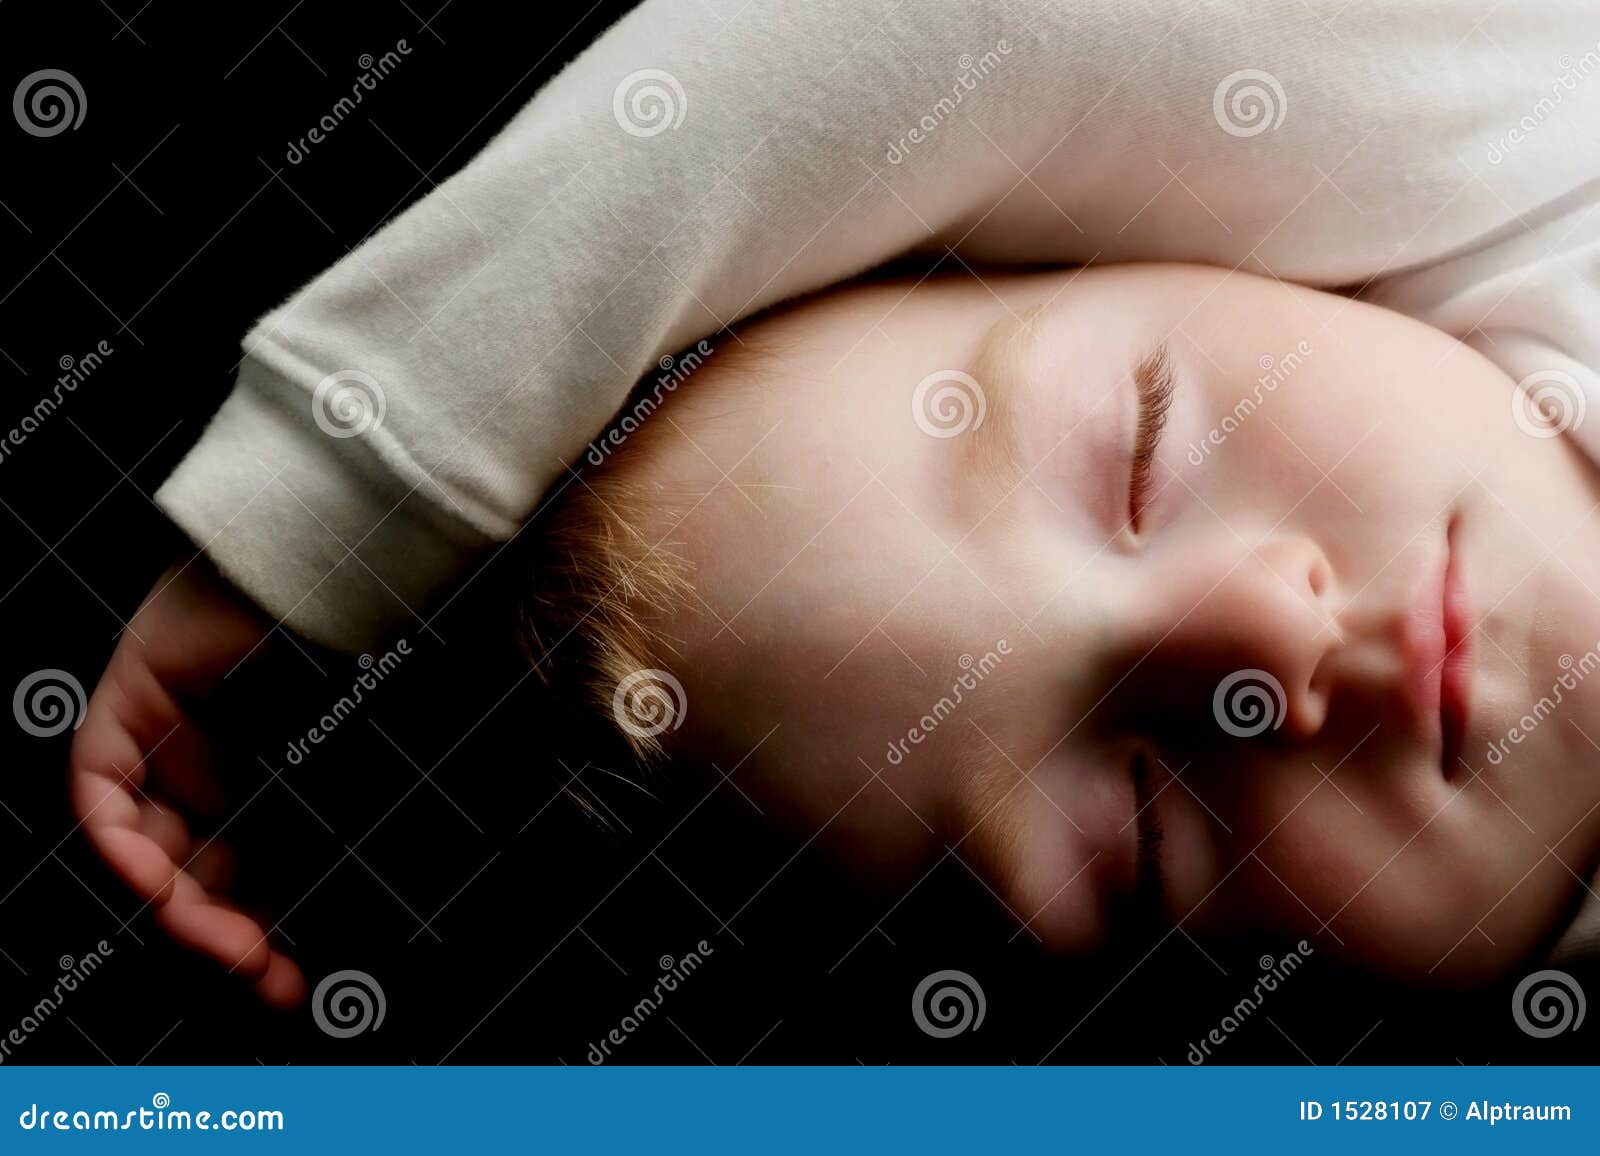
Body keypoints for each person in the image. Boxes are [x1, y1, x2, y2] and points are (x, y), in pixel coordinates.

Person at [66, 0, 1600, 1005]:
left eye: (1142, 449)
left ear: (1149, 228)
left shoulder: (1521, 141)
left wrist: (348, 490)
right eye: (1136, 829)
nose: (1262, 641)